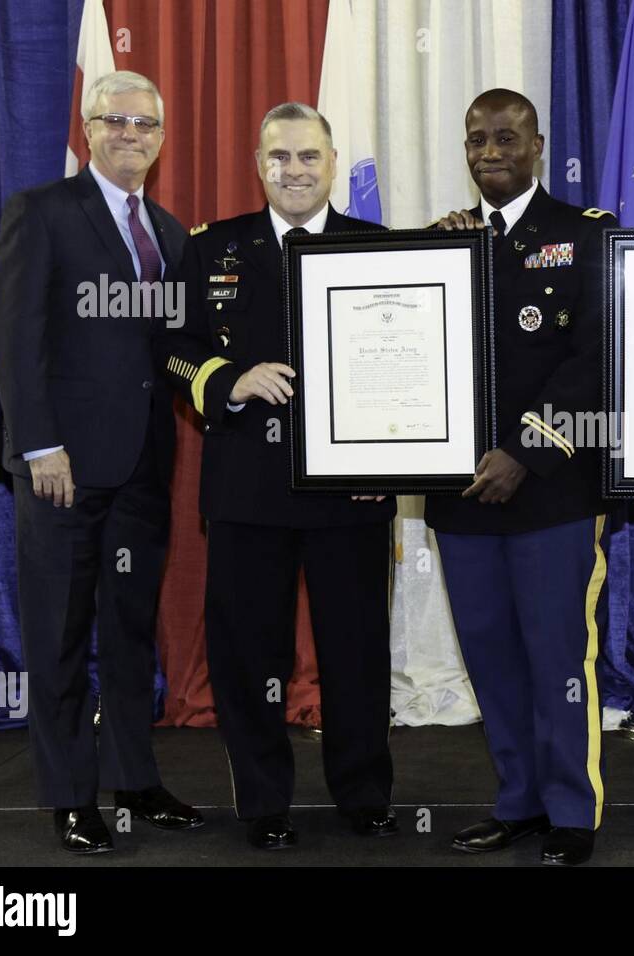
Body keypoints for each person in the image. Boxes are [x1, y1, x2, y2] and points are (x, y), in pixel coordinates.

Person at [156, 103, 396, 850]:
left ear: (332, 161)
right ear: (259, 166)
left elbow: (411, 368)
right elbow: (172, 347)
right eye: (280, 157)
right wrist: (230, 377)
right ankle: (263, 802)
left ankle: (364, 794)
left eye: (309, 156)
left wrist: (389, 462)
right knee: (248, 654)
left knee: (356, 651)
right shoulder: (211, 248)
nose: (295, 170)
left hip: (350, 490)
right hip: (248, 491)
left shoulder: (379, 249)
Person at [0, 70, 202, 853]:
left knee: (131, 629)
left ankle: (136, 780)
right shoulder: (42, 213)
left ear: (160, 138)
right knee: (59, 635)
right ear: (88, 129)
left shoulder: (172, 233)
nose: (131, 134)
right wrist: (39, 444)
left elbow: (175, 350)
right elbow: (13, 339)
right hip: (63, 470)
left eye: (145, 124)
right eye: (115, 120)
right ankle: (71, 797)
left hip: (144, 466)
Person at [427, 89, 616, 866]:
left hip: (552, 493)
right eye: (476, 140)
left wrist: (525, 451)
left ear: (538, 144)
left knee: (556, 656)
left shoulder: (586, 235)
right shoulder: (442, 243)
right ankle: (518, 801)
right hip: (460, 495)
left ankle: (572, 811)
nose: (490, 152)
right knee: (492, 657)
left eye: (507, 137)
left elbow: (599, 359)